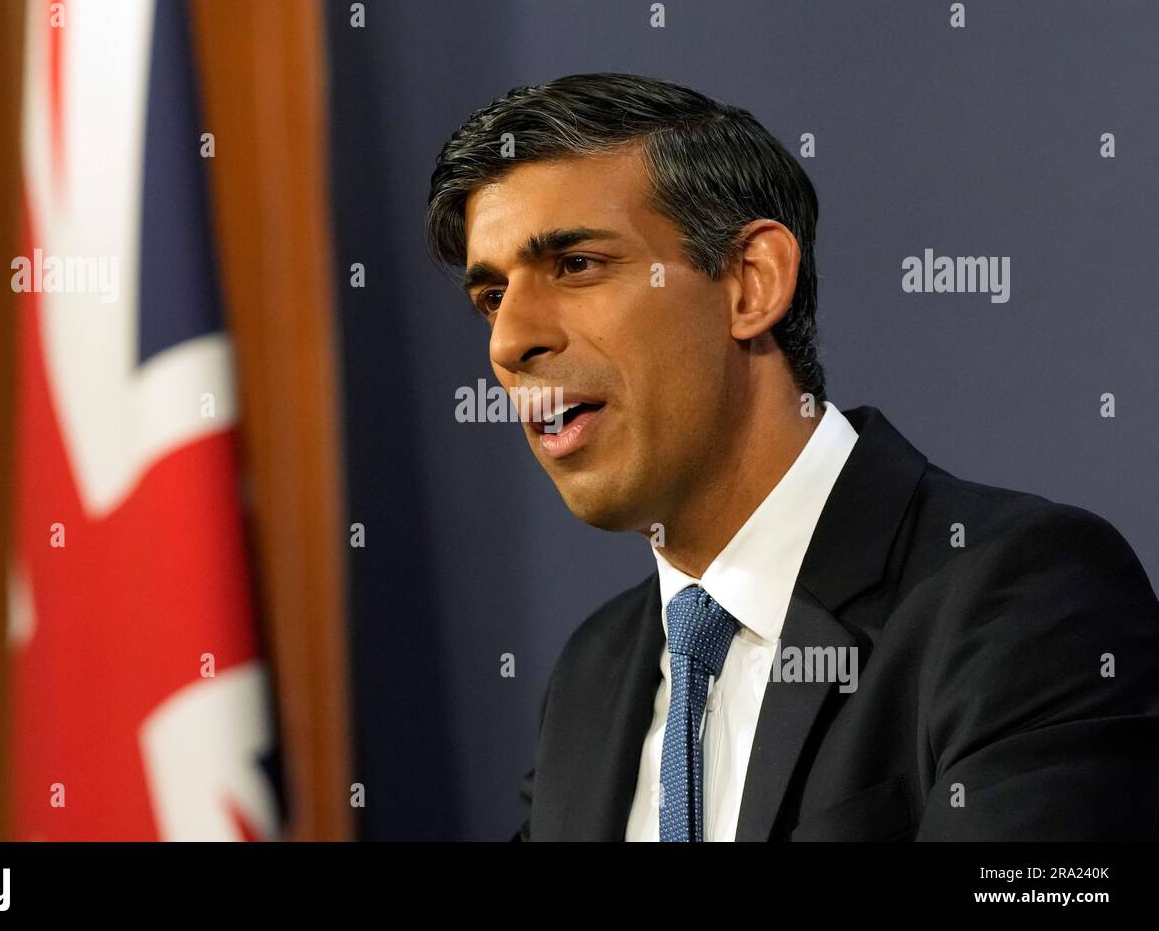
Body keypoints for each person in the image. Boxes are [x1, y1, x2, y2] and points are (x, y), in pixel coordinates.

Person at [424, 72, 1159, 841]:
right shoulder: (594, 675)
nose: (508, 344)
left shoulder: (1018, 596)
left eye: (575, 265)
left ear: (751, 283)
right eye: (492, 298)